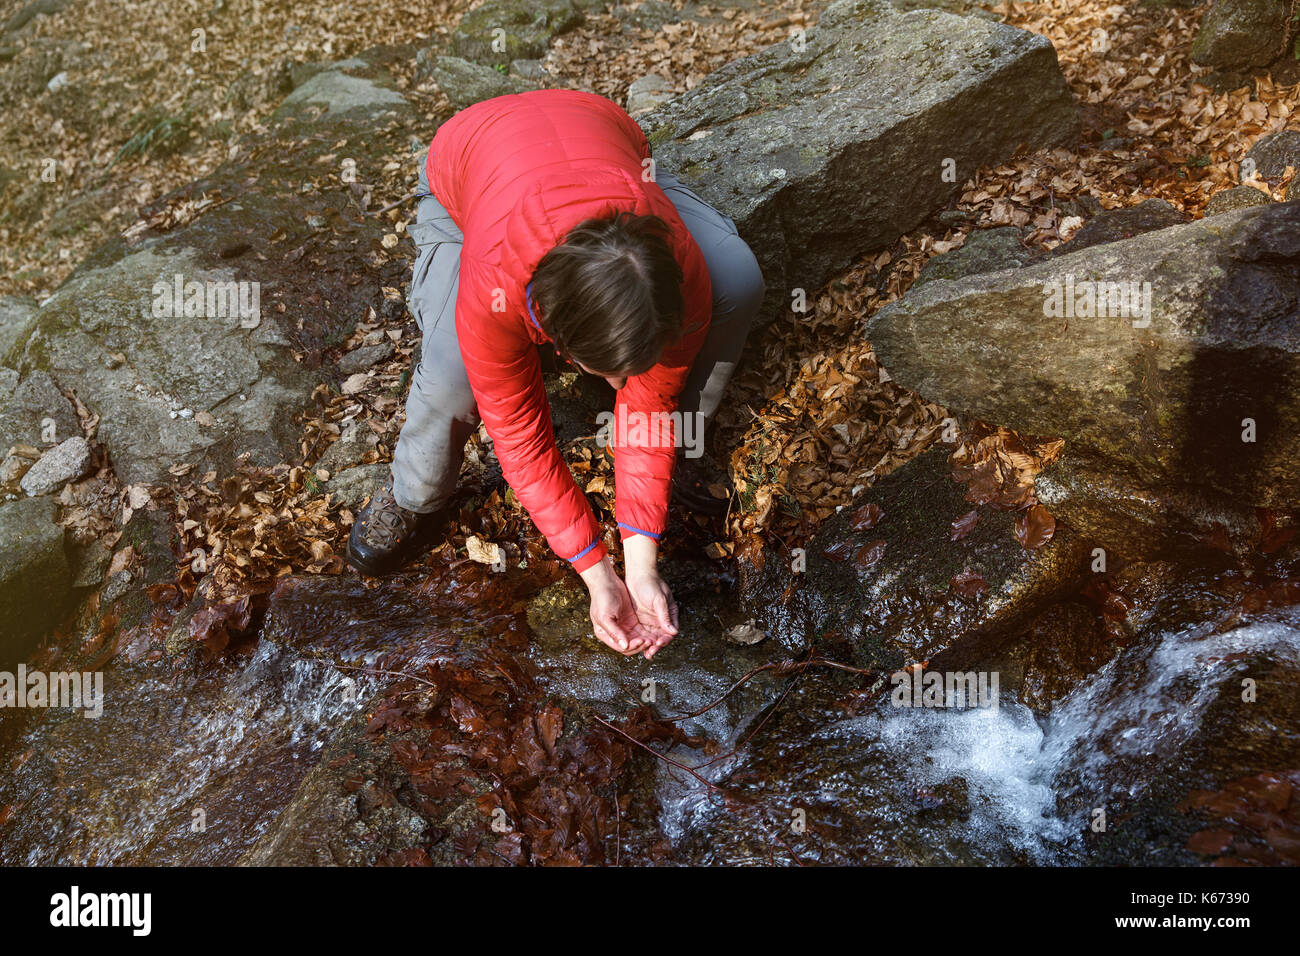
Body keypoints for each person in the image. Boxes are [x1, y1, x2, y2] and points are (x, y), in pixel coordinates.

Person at [346, 89, 764, 659]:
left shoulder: (671, 265)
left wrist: (639, 565)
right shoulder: (496, 287)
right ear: (558, 342)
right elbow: (520, 435)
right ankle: (412, 496)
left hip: (595, 130)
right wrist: (595, 572)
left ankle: (684, 454)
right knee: (452, 378)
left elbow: (651, 403)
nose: (622, 389)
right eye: (611, 374)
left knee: (734, 279)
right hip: (468, 167)